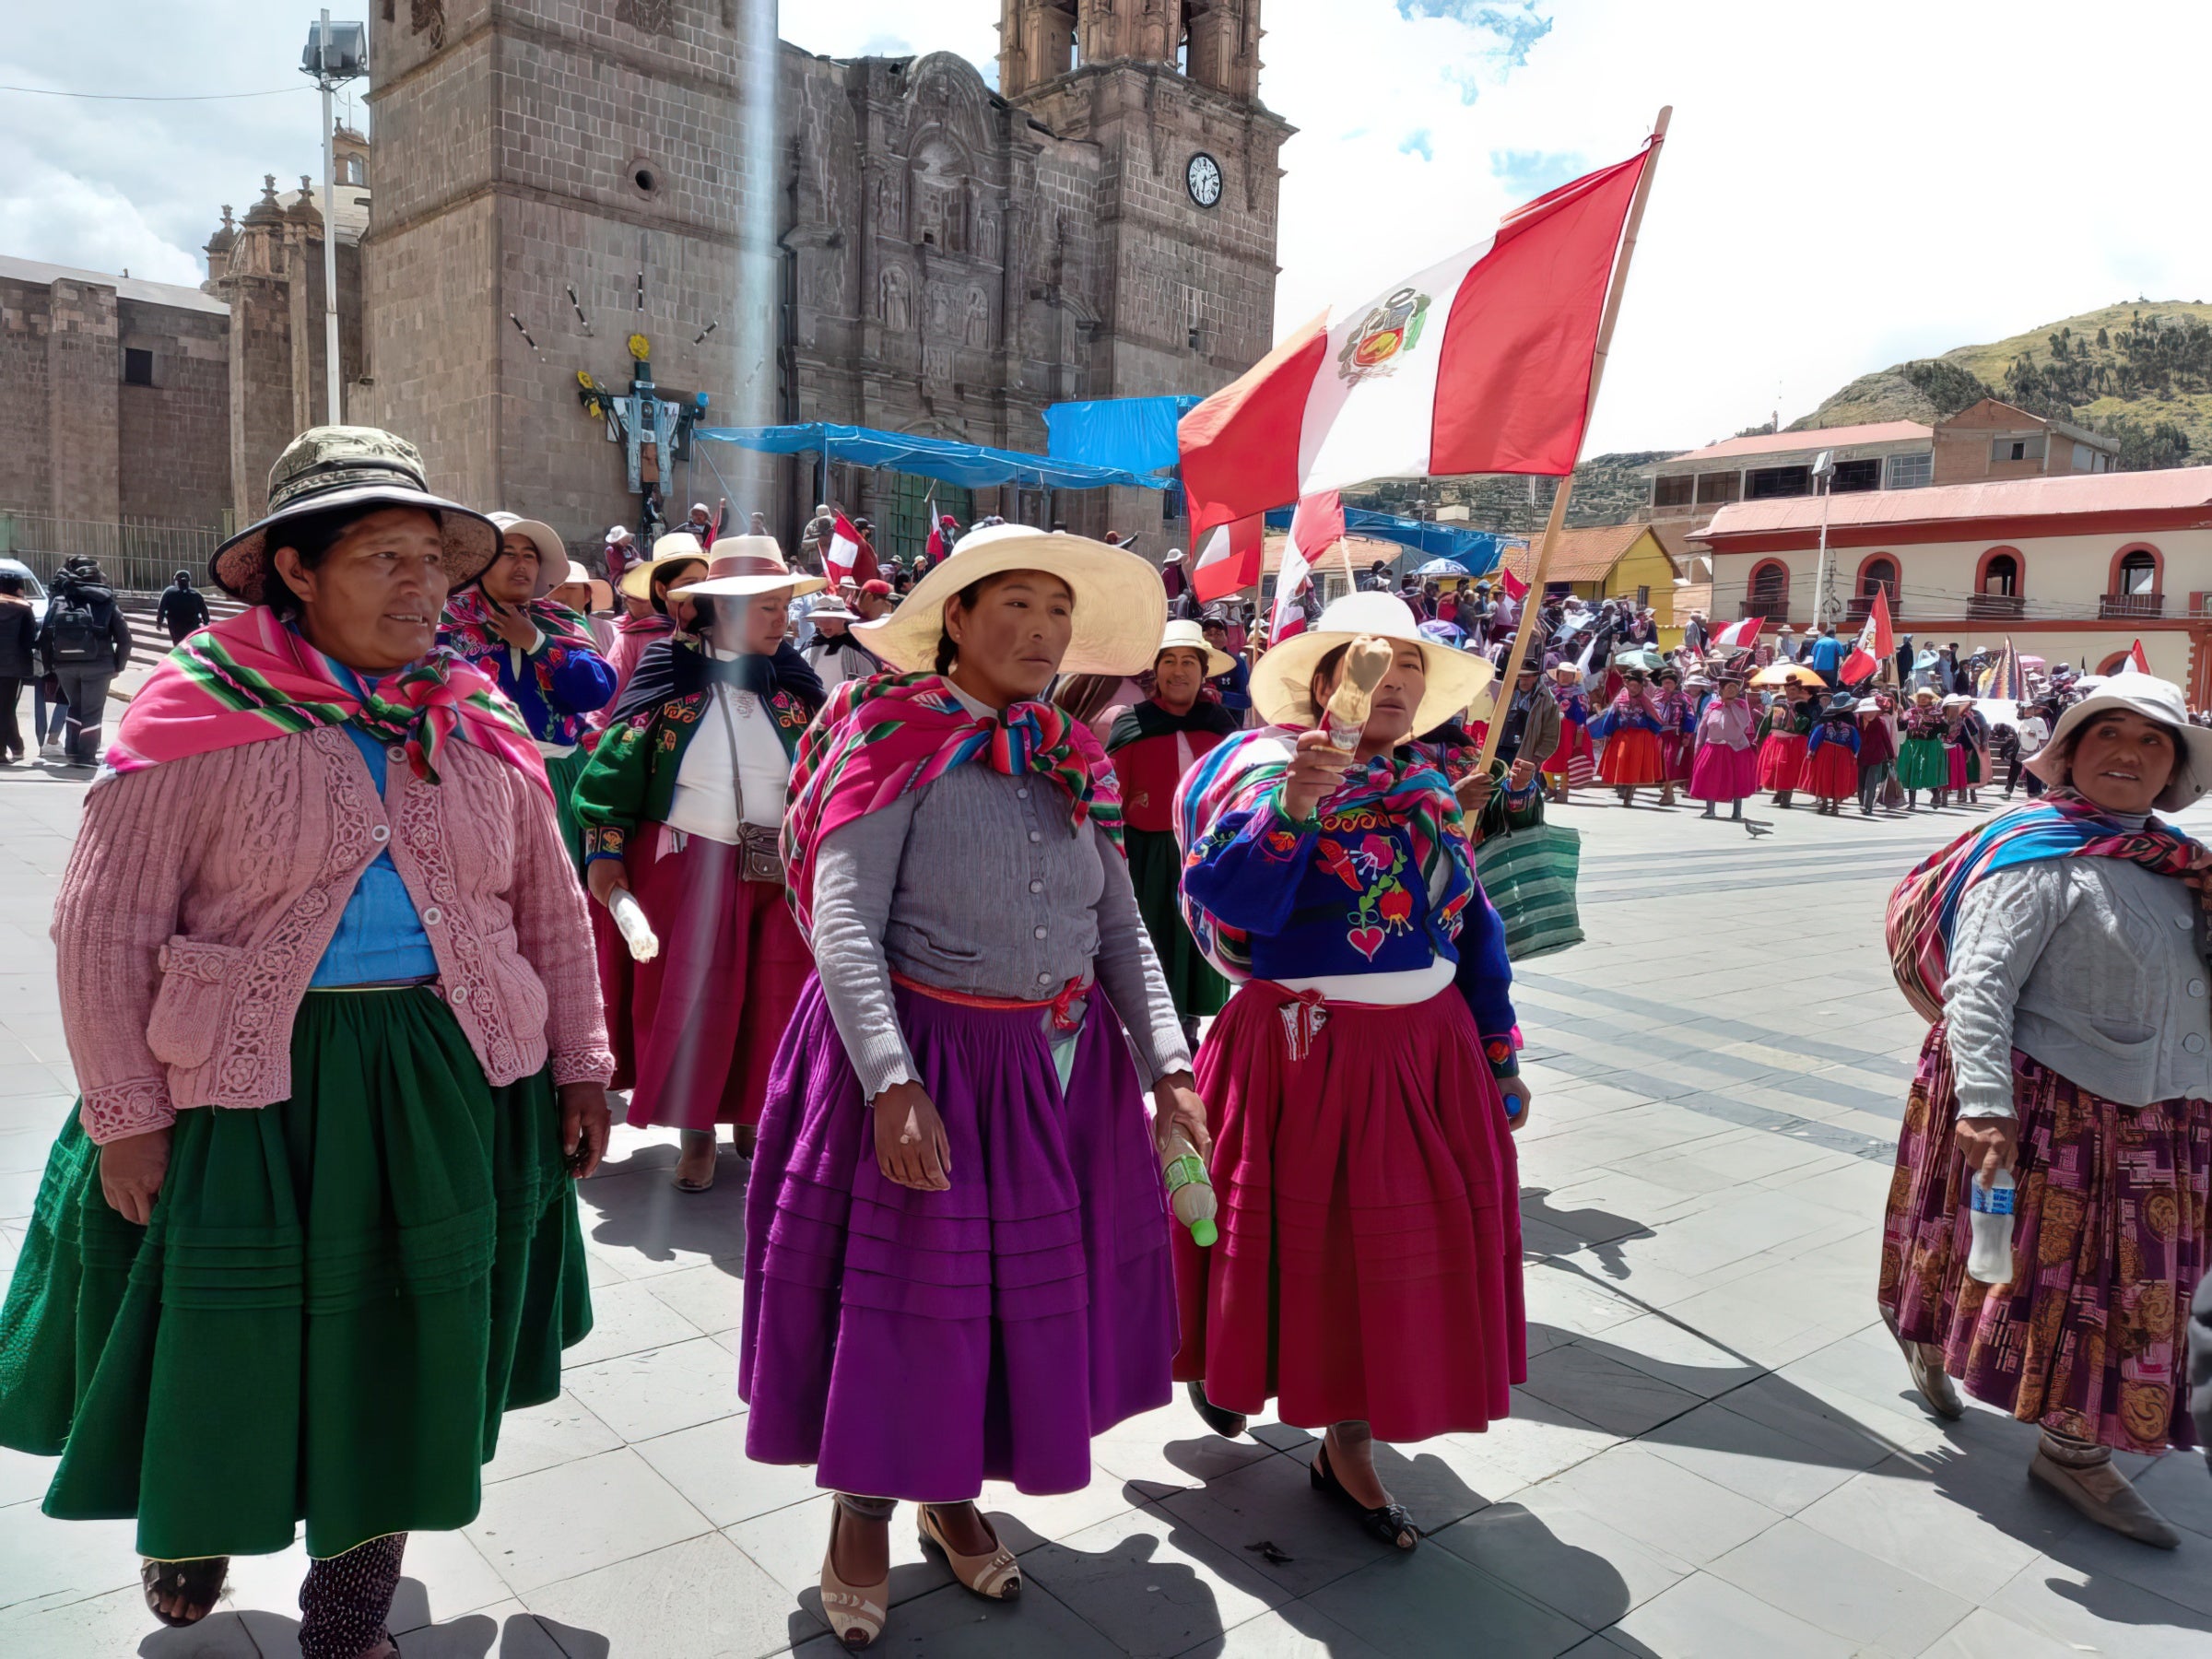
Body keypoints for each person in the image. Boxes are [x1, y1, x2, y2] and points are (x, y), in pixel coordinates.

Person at [0, 425, 611, 1654]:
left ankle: (347, 1609)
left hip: (442, 1084)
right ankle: (192, 1524)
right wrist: (125, 1113)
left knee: (395, 1349)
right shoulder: (197, 713)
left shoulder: (475, 717)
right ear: (295, 570)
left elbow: (545, 903)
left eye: (432, 561)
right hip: (240, 1090)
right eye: (384, 557)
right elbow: (103, 930)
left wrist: (583, 1062)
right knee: (221, 1339)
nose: (421, 588)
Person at [740, 524, 1196, 1649]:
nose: (1043, 633)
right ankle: (862, 1513)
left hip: (1051, 1075)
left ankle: (949, 1494)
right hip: (918, 1062)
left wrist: (1169, 1065)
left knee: (991, 1307)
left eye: (1056, 612)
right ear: (956, 617)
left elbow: (1116, 922)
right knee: (907, 1305)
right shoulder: (892, 736)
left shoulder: (1069, 755)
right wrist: (892, 1082)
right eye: (1016, 608)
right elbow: (841, 920)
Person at [1171, 590, 1527, 1550]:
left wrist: (1498, 1051)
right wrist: (1297, 803)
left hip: (1425, 1056)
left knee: (1388, 1264)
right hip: (1300, 1056)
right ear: (1326, 687)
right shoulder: (1262, 776)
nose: (1398, 693)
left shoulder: (1428, 797)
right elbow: (1228, 897)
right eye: (1378, 674)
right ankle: (1228, 1361)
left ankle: (1349, 1443)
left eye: (1412, 679)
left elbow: (1473, 927)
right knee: (1288, 1244)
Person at [1880, 671, 2212, 1548]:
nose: (2130, 757)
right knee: (2008, 1266)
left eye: (2152, 744)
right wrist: (1984, 1107)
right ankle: (1932, 1343)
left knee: (2135, 1295)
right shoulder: (2036, 855)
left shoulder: (2179, 862)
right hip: (2047, 1109)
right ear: (2071, 753)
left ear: (2174, 768)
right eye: (2111, 737)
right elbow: (1979, 991)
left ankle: (2069, 1447)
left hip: (2164, 1117)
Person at [573, 538, 827, 1194]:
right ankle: (697, 1137)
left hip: (778, 877)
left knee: (773, 1000)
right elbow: (610, 780)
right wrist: (605, 856)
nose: (782, 621)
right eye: (767, 608)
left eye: (781, 608)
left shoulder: (796, 692)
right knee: (694, 1004)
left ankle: (754, 1121)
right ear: (721, 610)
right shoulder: (666, 684)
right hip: (690, 872)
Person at [440, 512, 618, 866]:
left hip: (556, 777)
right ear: (482, 563)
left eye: (529, 555)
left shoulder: (559, 621)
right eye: (508, 553)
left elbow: (595, 691)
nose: (520, 564)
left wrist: (536, 642)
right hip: (475, 782)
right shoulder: (445, 624)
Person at [1108, 620, 1243, 1051]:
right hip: (1148, 851)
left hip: (1207, 851)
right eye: (1169, 660)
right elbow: (1112, 797)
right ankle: (1149, 1030)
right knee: (1151, 938)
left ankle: (1186, 1026)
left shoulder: (1220, 725)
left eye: (1189, 661)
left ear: (1203, 672)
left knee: (1194, 937)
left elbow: (1240, 788)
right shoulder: (1132, 722)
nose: (1178, 670)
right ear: (1156, 669)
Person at [36, 558, 133, 767]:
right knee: (92, 711)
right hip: (99, 665)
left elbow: (45, 636)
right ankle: (86, 756)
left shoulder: (61, 600)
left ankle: (72, 750)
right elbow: (125, 639)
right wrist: (118, 666)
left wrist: (49, 666)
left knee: (75, 707)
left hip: (64, 665)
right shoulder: (106, 601)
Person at [601, 533, 708, 710]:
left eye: (704, 582)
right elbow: (606, 708)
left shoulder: (718, 635)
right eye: (689, 583)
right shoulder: (632, 640)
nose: (700, 592)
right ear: (661, 589)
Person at [1591, 665, 1665, 807]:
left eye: (1636, 685)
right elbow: (1612, 716)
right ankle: (1621, 786)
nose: (1633, 689)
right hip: (1622, 735)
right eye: (1631, 685)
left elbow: (1655, 720)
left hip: (1641, 737)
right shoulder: (1620, 700)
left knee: (1635, 765)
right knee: (1621, 759)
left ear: (1641, 686)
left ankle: (1629, 793)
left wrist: (1651, 732)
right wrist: (1607, 732)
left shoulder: (1646, 701)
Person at [1688, 672, 1759, 820]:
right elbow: (1703, 727)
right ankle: (1710, 810)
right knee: (1710, 778)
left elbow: (1746, 724)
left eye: (1734, 687)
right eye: (1729, 687)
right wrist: (1698, 748)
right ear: (1721, 689)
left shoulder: (1741, 705)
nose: (1732, 690)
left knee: (1738, 779)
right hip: (1714, 747)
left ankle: (1737, 812)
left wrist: (1731, 707)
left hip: (1737, 748)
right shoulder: (1713, 706)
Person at [802, 597, 884, 690]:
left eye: (829, 620)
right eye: (820, 620)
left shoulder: (859, 649)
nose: (824, 625)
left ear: (843, 619)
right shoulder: (810, 647)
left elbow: (870, 683)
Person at [1541, 663, 1594, 804]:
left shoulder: (1579, 695)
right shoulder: (1549, 691)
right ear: (1557, 675)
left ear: (1573, 677)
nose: (1564, 677)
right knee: (1546, 759)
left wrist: (1579, 735)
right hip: (1551, 728)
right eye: (1562, 674)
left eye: (1568, 675)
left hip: (1569, 731)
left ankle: (1563, 791)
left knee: (1564, 761)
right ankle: (1550, 787)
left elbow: (1581, 717)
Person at [1803, 691, 1862, 817]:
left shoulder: (1825, 720)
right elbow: (1855, 740)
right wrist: (1855, 753)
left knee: (1824, 776)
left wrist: (1811, 750)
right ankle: (1834, 806)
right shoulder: (1851, 721)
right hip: (1843, 753)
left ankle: (1824, 804)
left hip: (1825, 751)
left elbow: (1816, 734)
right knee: (1838, 777)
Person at [1756, 684, 1813, 808]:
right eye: (1787, 689)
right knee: (1776, 767)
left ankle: (1786, 797)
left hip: (1792, 742)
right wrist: (1761, 734)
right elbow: (1769, 721)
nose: (1789, 692)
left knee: (1788, 768)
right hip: (1776, 740)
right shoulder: (1779, 704)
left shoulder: (1802, 706)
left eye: (1793, 689)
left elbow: (1806, 723)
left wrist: (1795, 717)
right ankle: (1779, 792)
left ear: (1799, 691)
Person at [0, 571, 34, 763]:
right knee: (6, 707)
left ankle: (16, 745)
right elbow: (29, 640)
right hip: (13, 667)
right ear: (17, 588)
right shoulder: (23, 608)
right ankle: (8, 748)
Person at [1652, 665, 1695, 808]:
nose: (1667, 685)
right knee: (1660, 764)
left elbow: (1690, 717)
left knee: (1670, 762)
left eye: (1669, 683)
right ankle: (1666, 790)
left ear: (1675, 684)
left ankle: (1669, 792)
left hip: (1675, 735)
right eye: (1664, 683)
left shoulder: (1684, 699)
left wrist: (1687, 735)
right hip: (1659, 735)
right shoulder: (1657, 697)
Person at [1202, 613, 1253, 723]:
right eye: (1209, 633)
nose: (1214, 636)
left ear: (1226, 637)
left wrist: (1221, 696)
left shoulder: (1237, 663)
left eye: (1218, 633)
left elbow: (1246, 700)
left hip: (1229, 726)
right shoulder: (1196, 662)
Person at [1857, 693, 1900, 817]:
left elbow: (1886, 740)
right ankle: (1862, 803)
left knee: (1871, 783)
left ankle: (1867, 806)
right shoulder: (1857, 723)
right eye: (1867, 711)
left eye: (1873, 711)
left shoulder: (1879, 723)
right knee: (1861, 783)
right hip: (1861, 757)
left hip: (1876, 757)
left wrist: (1891, 756)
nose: (1870, 714)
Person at [155, 570, 211, 644]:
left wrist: (159, 622)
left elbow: (161, 608)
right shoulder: (195, 594)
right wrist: (206, 622)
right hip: (192, 625)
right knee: (192, 644)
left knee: (178, 644)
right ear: (189, 581)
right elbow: (204, 610)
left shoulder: (169, 592)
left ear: (176, 581)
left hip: (175, 626)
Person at [2015, 701, 2052, 798]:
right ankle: (2031, 791)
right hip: (2025, 748)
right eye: (2027, 709)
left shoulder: (2039, 721)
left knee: (2036, 770)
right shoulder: (2021, 722)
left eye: (2031, 708)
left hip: (2037, 749)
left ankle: (2037, 790)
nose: (2029, 710)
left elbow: (2045, 735)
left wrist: (2035, 734)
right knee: (2029, 771)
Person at [1806, 621, 1848, 688]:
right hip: (1830, 669)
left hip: (1817, 668)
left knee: (1819, 686)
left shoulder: (1818, 642)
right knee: (1830, 687)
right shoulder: (1835, 642)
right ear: (1833, 635)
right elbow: (1842, 654)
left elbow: (1812, 654)